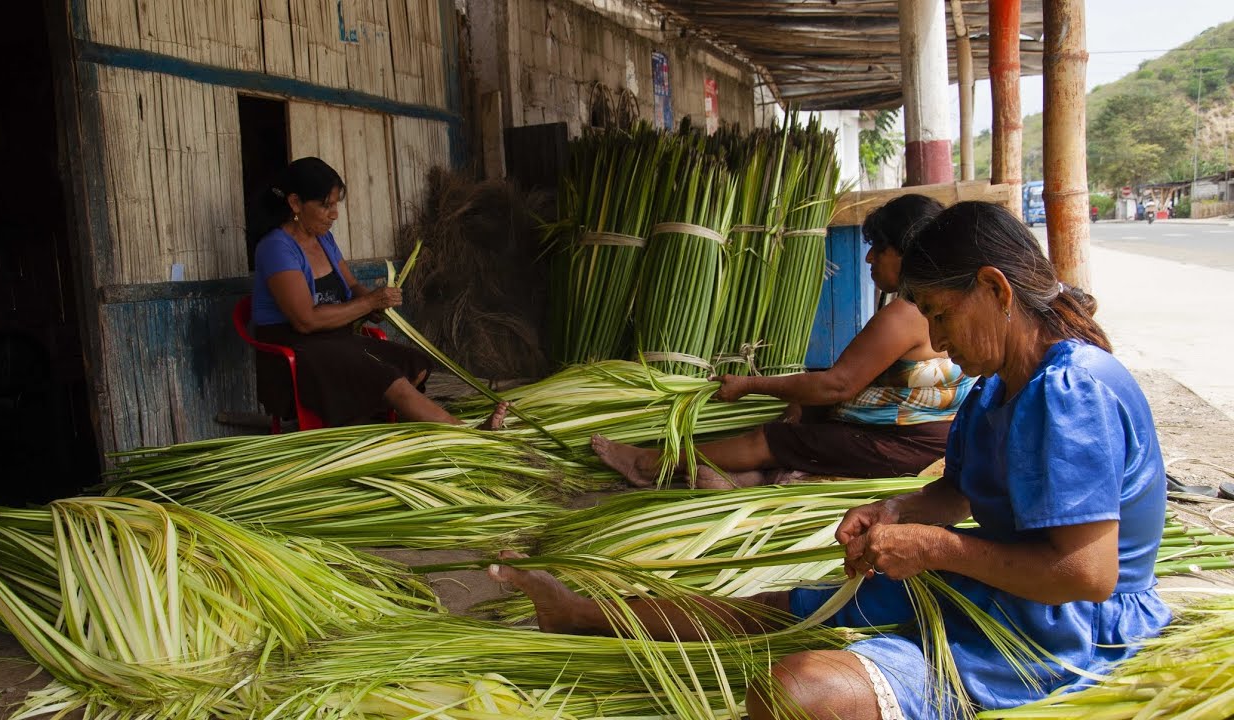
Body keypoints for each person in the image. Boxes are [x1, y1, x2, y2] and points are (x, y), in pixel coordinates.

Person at [492, 200, 1170, 719]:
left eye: (941, 314)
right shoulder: (995, 389)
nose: (935, 339)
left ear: (995, 289)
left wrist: (935, 547)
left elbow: (1087, 575)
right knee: (788, 607)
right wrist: (894, 510)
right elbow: (955, 493)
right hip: (999, 593)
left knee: (793, 693)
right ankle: (581, 615)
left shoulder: (1070, 391)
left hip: (1065, 635)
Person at [593, 194, 975, 488]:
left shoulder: (905, 314)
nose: (870, 258)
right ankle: (748, 479)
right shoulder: (942, 301)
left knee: (774, 438)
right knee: (803, 409)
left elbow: (838, 385)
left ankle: (652, 463)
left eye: (880, 247)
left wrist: (750, 385)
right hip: (932, 436)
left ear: (907, 250)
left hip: (903, 445)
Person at [250, 157, 507, 428]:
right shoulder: (277, 248)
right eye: (326, 205)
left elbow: (352, 286)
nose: (334, 214)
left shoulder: (323, 239)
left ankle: (385, 426)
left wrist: (374, 303)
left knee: (415, 364)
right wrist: (369, 302)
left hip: (334, 341)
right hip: (296, 352)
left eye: (336, 204)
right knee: (388, 379)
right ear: (295, 203)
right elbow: (306, 321)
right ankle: (468, 433)